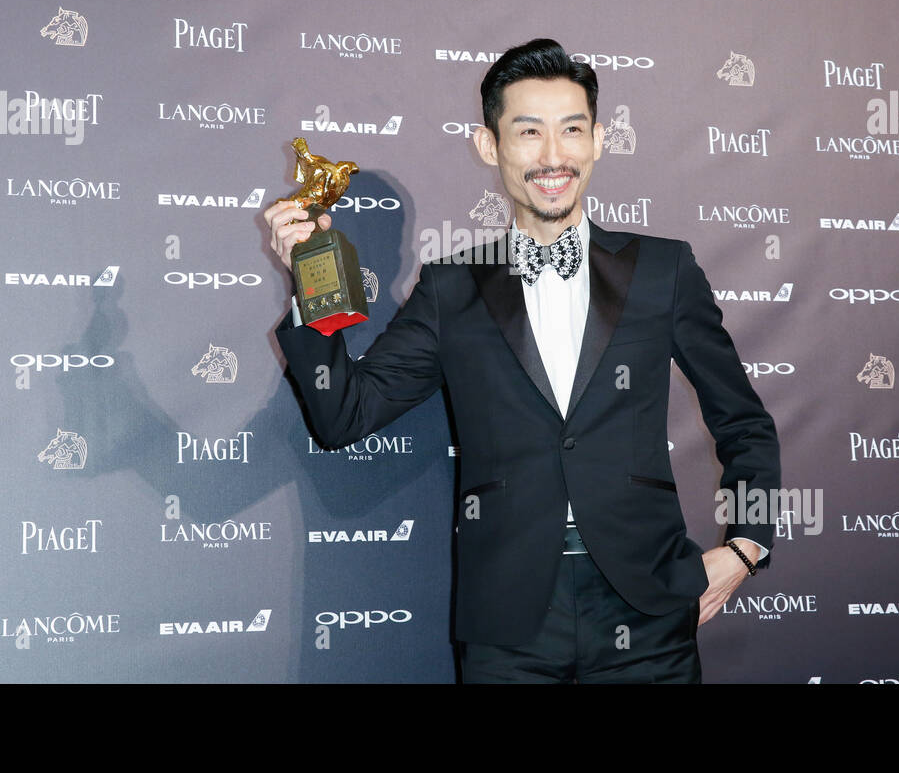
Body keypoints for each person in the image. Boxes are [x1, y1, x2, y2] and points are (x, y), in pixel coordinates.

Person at [264, 38, 780, 682]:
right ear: (490, 145)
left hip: (648, 608)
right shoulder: (453, 286)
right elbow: (345, 415)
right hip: (508, 624)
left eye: (572, 130)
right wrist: (310, 286)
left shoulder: (663, 270)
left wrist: (747, 545)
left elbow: (744, 420)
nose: (553, 155)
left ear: (599, 141)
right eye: (529, 132)